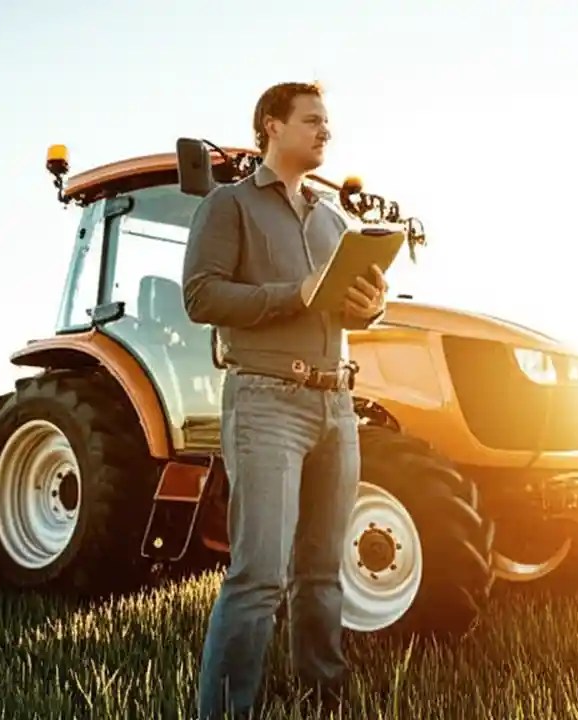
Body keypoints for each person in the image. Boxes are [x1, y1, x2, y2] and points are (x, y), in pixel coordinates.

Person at [181, 81, 388, 719]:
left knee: (323, 575)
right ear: (272, 125)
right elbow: (201, 298)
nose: (325, 131)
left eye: (328, 123)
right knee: (258, 578)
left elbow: (357, 308)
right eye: (312, 121)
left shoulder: (332, 220)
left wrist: (371, 306)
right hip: (266, 403)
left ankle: (322, 701)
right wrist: (291, 294)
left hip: (336, 405)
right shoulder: (229, 206)